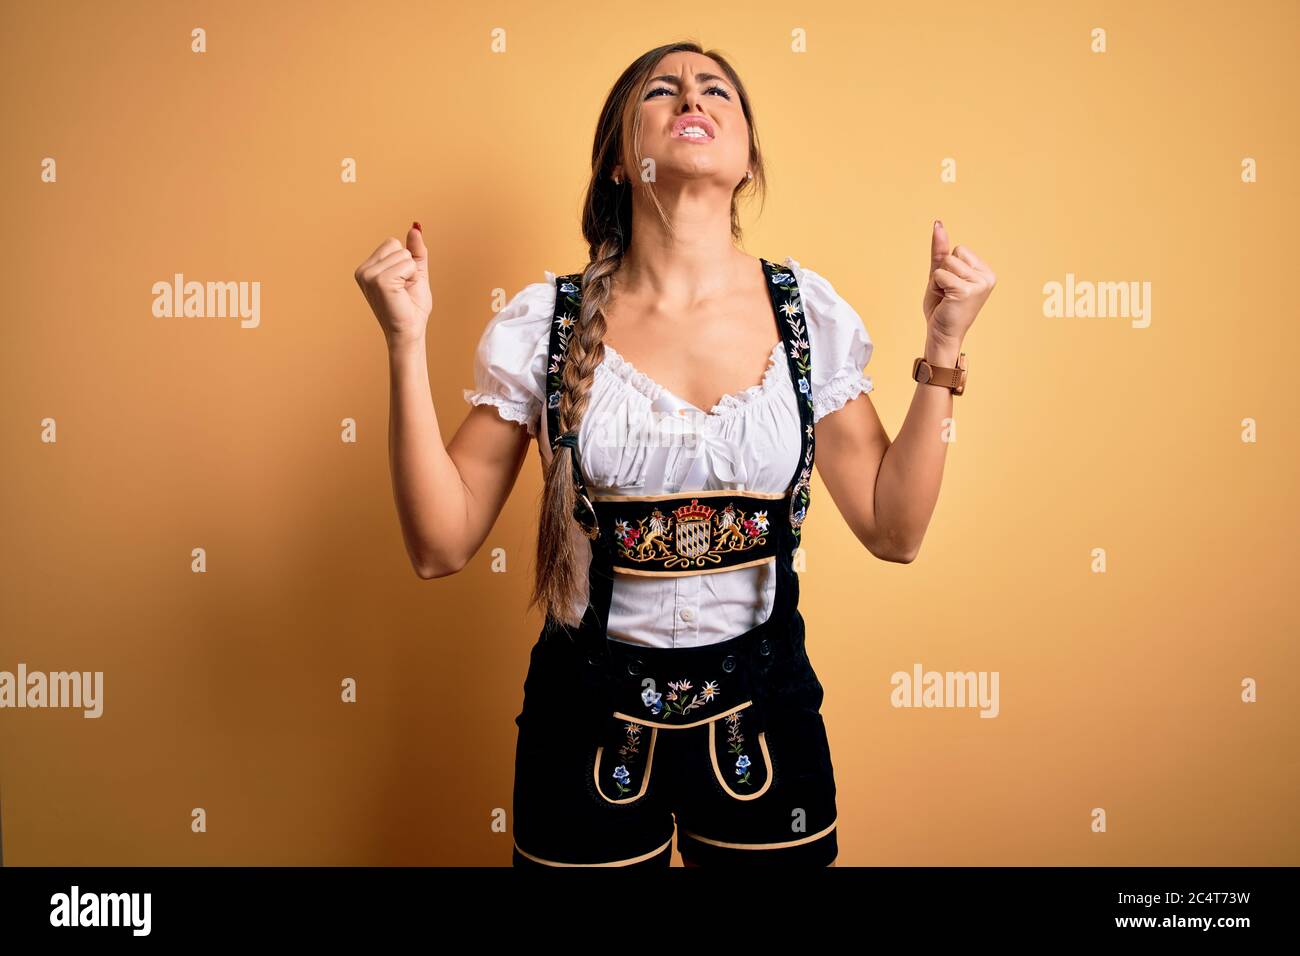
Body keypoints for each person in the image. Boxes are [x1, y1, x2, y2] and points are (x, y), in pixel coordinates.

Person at [353, 41, 996, 867]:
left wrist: (943, 349)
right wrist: (405, 344)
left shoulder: (809, 317)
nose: (693, 95)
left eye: (717, 89)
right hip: (581, 723)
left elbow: (893, 528)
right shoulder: (542, 325)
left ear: (747, 159)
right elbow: (439, 546)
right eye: (662, 89)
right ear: (621, 162)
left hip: (768, 717)